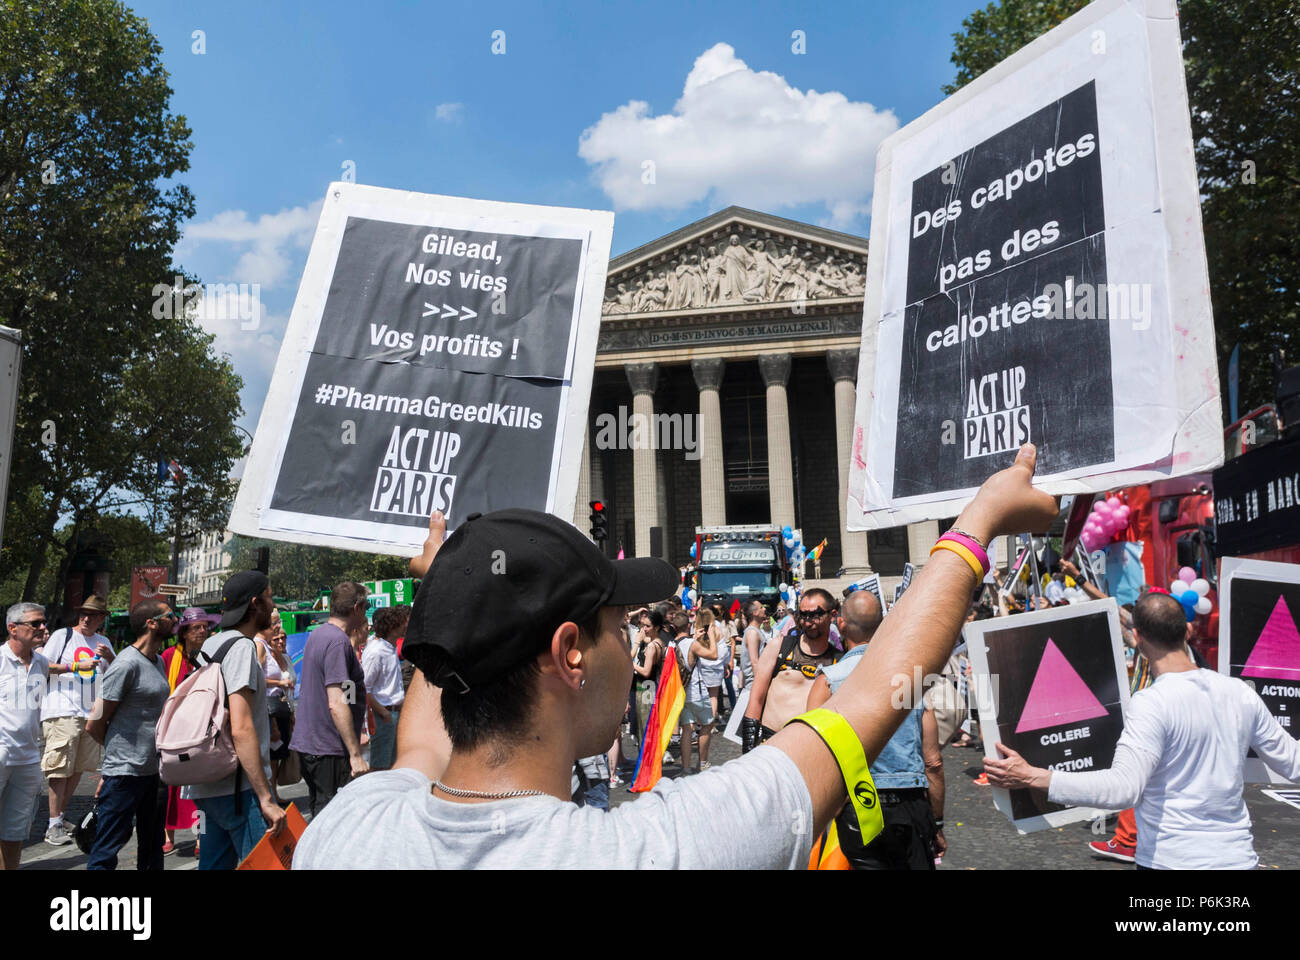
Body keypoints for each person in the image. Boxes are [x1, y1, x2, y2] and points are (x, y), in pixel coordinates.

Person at [294, 446, 1058, 869]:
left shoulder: (352, 827)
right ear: (570, 655)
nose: (631, 644)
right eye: (616, 624)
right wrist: (980, 518)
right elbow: (867, 702)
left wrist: (449, 585)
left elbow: (425, 740)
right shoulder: (650, 850)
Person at [985, 591, 1300, 869]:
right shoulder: (1239, 693)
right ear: (1187, 631)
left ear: (1137, 637)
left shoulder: (1152, 702)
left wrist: (1032, 776)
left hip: (1174, 861)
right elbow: (1293, 762)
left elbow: (1123, 788)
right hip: (1237, 859)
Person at [807, 591, 945, 869]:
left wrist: (832, 810)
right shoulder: (911, 682)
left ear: (841, 625)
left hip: (859, 805)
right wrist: (937, 821)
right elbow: (933, 762)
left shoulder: (827, 682)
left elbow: (813, 757)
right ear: (882, 624)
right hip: (911, 803)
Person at [190, 571, 287, 869]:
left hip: (205, 783)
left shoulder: (211, 645)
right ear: (255, 604)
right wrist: (266, 797)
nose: (272, 607)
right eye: (269, 598)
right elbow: (242, 727)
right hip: (239, 790)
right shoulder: (243, 648)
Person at [84, 599, 176, 870]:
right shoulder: (126, 664)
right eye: (170, 615)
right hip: (124, 774)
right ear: (151, 623)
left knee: (151, 846)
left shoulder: (157, 661)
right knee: (106, 849)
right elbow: (95, 723)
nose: (176, 619)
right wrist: (118, 752)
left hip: (154, 772)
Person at [39, 594, 115, 845]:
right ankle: (52, 825)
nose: (86, 617)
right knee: (59, 768)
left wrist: (110, 659)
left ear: (102, 618)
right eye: (83, 613)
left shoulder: (103, 641)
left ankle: (59, 817)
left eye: (92, 614)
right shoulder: (63, 636)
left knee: (77, 769)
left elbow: (116, 675)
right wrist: (74, 667)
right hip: (62, 710)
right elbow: (43, 666)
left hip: (90, 714)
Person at [290, 582, 369, 816]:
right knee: (330, 816)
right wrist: (355, 754)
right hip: (328, 749)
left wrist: (356, 728)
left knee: (321, 811)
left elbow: (347, 690)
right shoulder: (337, 641)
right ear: (357, 608)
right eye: (365, 607)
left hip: (318, 746)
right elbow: (337, 701)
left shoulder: (320, 635)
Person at [741, 588, 841, 752]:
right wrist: (748, 751)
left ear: (833, 615)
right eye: (804, 615)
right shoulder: (779, 646)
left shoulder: (838, 660)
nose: (808, 622)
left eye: (816, 614)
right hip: (771, 745)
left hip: (811, 750)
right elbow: (756, 700)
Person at [161, 607, 218, 854]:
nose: (203, 631)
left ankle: (199, 838)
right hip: (173, 729)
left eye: (205, 627)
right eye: (197, 627)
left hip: (200, 729)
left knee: (199, 788)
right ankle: (167, 835)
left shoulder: (211, 656)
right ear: (184, 632)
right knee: (170, 787)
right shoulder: (168, 656)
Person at [1, 603, 50, 870]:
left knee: (15, 831)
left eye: (44, 622)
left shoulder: (42, 663)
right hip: (1, 752)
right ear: (13, 629)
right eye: (36, 623)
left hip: (29, 758)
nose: (43, 627)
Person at [256, 610, 296, 798]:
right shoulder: (260, 645)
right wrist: (280, 683)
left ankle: (273, 792)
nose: (278, 625)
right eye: (275, 623)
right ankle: (270, 794)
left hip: (282, 708)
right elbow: (257, 681)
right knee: (272, 754)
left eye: (279, 622)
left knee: (280, 753)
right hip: (269, 710)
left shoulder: (283, 656)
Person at [363, 605, 408, 771]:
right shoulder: (376, 651)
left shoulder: (390, 648)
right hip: (384, 716)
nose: (408, 626)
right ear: (394, 625)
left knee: (392, 765)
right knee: (380, 767)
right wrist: (384, 713)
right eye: (405, 622)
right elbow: (364, 688)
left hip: (393, 714)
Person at [676, 609, 720, 774]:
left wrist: (694, 638)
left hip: (681, 692)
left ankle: (685, 767)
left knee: (687, 729)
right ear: (688, 626)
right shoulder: (692, 644)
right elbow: (713, 655)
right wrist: (711, 635)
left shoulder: (673, 643)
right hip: (696, 691)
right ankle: (703, 762)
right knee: (707, 725)